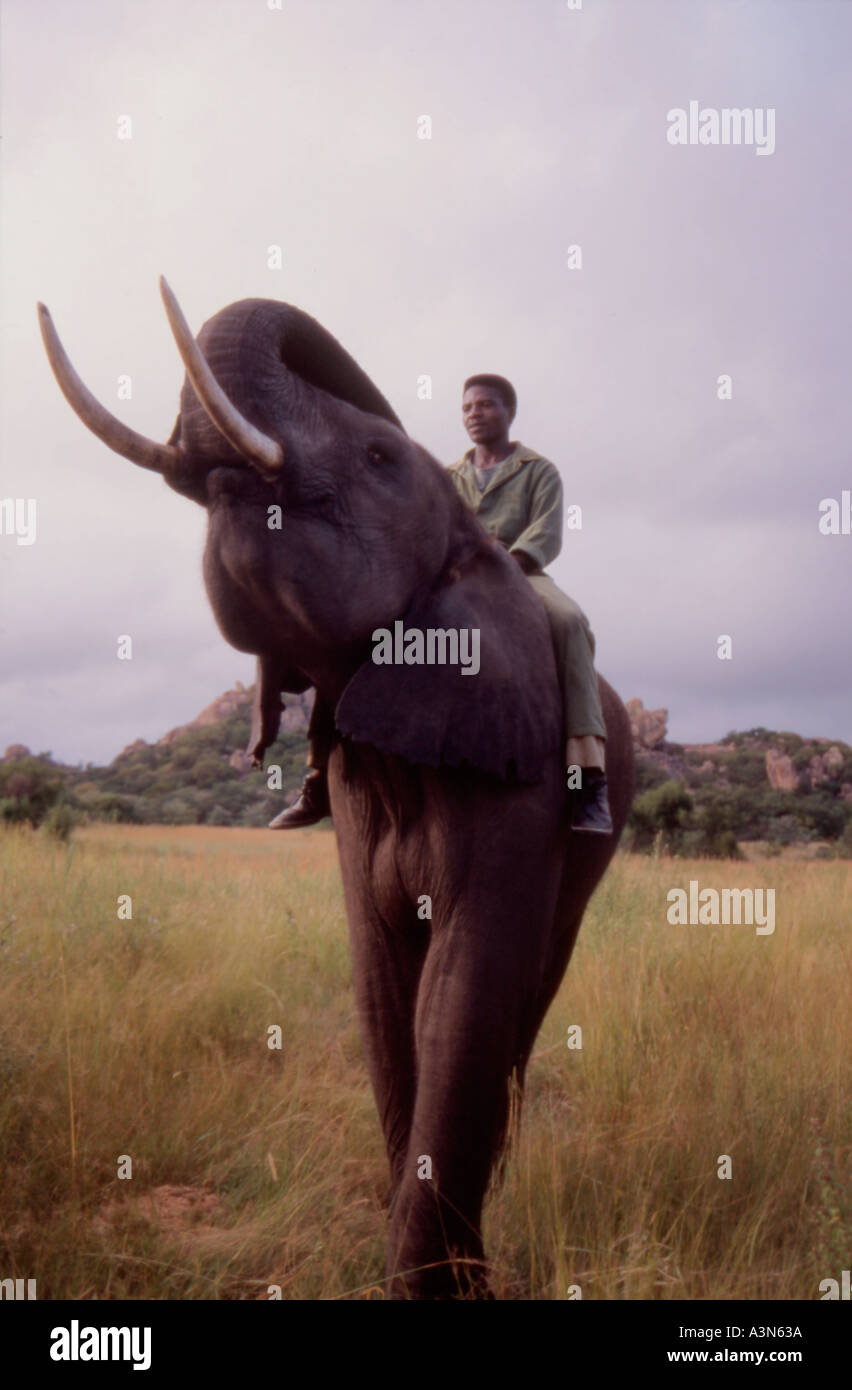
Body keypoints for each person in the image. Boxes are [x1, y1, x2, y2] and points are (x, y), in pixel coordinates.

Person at [269, 374, 612, 834]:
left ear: (509, 413)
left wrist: (504, 566)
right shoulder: (446, 477)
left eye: (486, 405)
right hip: (448, 581)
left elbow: (545, 535)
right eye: (468, 407)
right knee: (359, 629)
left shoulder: (539, 471)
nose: (474, 413)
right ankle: (318, 777)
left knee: (570, 621)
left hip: (522, 576)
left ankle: (589, 780)